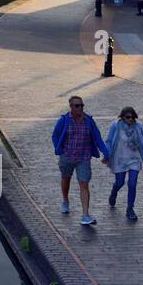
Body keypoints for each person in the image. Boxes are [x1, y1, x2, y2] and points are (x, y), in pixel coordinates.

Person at [52, 95, 110, 225]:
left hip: (84, 157)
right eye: (77, 105)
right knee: (66, 178)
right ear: (71, 107)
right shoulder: (64, 120)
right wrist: (59, 150)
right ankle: (65, 200)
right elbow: (55, 135)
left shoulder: (89, 121)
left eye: (82, 105)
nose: (80, 108)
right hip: (67, 155)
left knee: (84, 184)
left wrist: (106, 153)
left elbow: (98, 138)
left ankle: (85, 215)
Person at [104, 107, 143, 222]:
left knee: (132, 184)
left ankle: (130, 209)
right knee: (120, 182)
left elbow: (142, 140)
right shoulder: (115, 126)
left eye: (132, 117)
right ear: (122, 117)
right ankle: (114, 193)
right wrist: (106, 155)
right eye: (127, 117)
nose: (130, 119)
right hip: (119, 158)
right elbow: (109, 140)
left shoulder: (138, 126)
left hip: (134, 158)